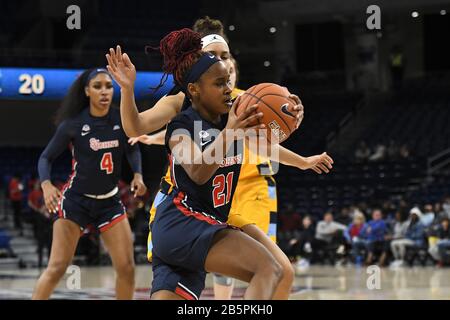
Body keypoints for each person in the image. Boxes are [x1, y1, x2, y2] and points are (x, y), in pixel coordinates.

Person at [112, 17, 333, 299]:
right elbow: (147, 131)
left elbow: (263, 141)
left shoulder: (240, 103)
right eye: (212, 57)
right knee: (265, 270)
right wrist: (127, 92)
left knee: (280, 271)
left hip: (222, 207)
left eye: (225, 56)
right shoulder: (182, 103)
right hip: (184, 209)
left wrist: (292, 125)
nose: (222, 63)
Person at [32, 68, 147, 300]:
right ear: (87, 91)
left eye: (108, 86)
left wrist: (138, 174)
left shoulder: (120, 118)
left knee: (126, 268)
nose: (104, 91)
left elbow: (133, 148)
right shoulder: (73, 124)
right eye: (97, 86)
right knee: (57, 268)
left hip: (110, 202)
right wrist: (46, 184)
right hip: (76, 202)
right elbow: (46, 158)